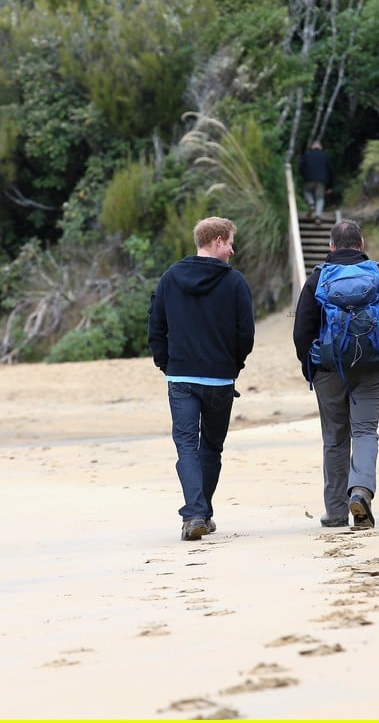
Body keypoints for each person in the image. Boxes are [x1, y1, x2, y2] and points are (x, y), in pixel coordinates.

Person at [293, 219, 379, 530]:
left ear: (331, 246)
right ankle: (360, 491)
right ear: (362, 245)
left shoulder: (317, 278)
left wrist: (312, 370)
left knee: (334, 438)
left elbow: (301, 330)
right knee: (365, 432)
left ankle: (334, 512)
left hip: (329, 370)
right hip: (372, 369)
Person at [148, 217, 255, 541]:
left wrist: (167, 364)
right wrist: (233, 365)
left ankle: (196, 513)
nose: (233, 250)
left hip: (181, 376)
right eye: (230, 243)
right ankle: (200, 513)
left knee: (187, 447)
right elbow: (245, 333)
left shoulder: (170, 278)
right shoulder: (235, 282)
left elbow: (156, 326)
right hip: (219, 378)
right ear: (218, 241)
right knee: (211, 447)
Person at [299, 140, 334, 222]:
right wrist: (330, 186)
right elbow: (330, 171)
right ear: (321, 147)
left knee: (307, 192)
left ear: (312, 147)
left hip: (309, 179)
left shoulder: (307, 155)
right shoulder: (325, 157)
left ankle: (311, 204)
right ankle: (318, 216)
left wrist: (304, 176)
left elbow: (301, 167)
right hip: (321, 181)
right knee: (320, 198)